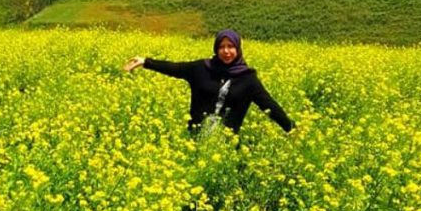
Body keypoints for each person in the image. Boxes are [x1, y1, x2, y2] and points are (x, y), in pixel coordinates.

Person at [123, 29, 294, 135]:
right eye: (221, 47)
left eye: (231, 46)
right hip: (195, 138)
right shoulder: (201, 68)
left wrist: (291, 129)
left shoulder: (248, 79)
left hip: (225, 145)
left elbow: (269, 105)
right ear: (216, 49)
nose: (226, 51)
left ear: (238, 49)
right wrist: (146, 61)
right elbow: (175, 68)